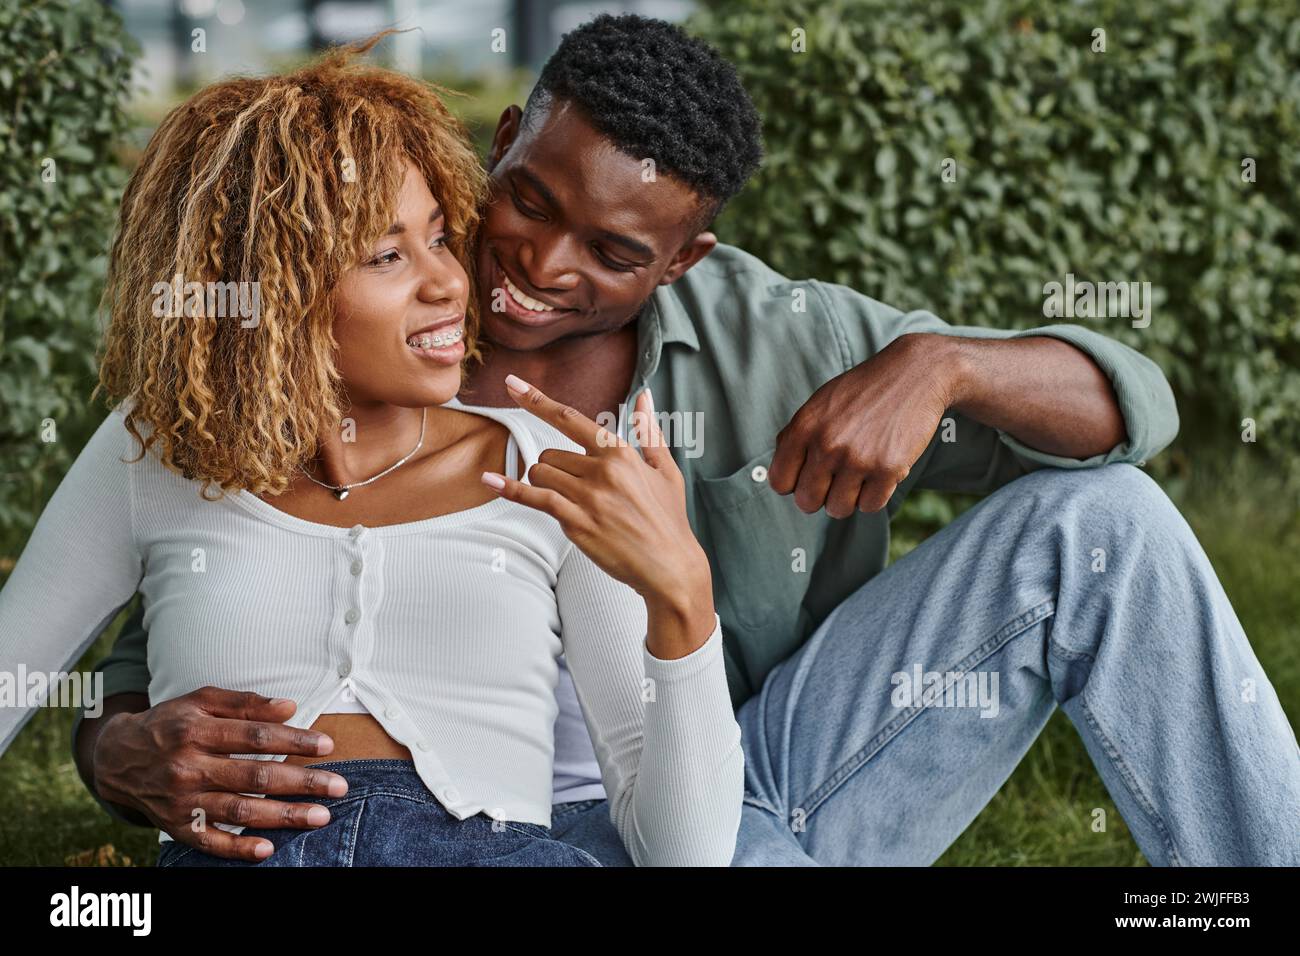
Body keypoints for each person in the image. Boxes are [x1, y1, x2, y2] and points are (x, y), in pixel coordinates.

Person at [74, 15, 1299, 866]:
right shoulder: (359, 294)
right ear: (502, 141)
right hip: (482, 825)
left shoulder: (786, 336)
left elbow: (1128, 405)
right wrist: (115, 745)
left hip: (754, 770)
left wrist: (946, 364)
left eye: (614, 253)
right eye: (531, 203)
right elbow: (204, 585)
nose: (536, 271)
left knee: (1107, 526)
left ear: (683, 258)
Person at [0, 38, 744, 867]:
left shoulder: (552, 471)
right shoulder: (158, 450)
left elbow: (687, 854)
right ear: (275, 288)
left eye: (438, 236)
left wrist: (683, 595)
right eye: (388, 255)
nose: (450, 283)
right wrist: (114, 749)